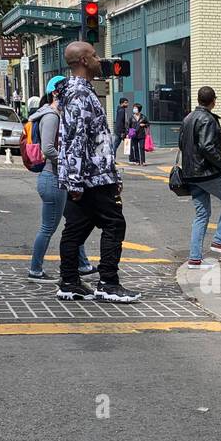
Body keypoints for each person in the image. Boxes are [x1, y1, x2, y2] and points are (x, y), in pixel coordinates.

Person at [54, 41, 141, 302]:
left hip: (92, 175)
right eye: (93, 55)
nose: (98, 58)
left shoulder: (80, 92)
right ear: (82, 60)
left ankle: (69, 281)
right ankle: (108, 283)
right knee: (115, 224)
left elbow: (92, 139)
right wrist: (75, 182)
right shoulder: (80, 95)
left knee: (77, 228)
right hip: (92, 177)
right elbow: (74, 139)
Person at [25, 83, 96, 282]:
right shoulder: (51, 116)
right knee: (48, 227)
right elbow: (48, 149)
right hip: (53, 178)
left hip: (56, 178)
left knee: (73, 222)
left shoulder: (53, 114)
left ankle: (83, 264)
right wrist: (69, 162)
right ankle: (35, 270)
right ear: (57, 94)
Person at [179, 86, 221, 267]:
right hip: (206, 173)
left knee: (202, 214)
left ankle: (195, 258)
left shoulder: (188, 118)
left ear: (198, 100)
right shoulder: (207, 119)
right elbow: (207, 147)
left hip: (191, 174)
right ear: (213, 100)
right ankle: (219, 240)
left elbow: (181, 144)